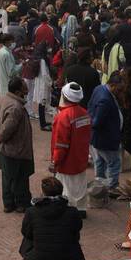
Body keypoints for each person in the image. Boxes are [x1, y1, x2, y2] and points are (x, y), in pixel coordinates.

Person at [19, 174, 85, 260]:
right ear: (61, 191)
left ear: (43, 192)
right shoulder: (73, 212)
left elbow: (26, 233)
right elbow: (77, 230)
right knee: (70, 233)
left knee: (28, 237)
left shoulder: (31, 211)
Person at [49, 80, 93, 214]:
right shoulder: (85, 113)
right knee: (80, 186)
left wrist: (55, 161)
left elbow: (60, 144)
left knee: (67, 189)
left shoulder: (63, 117)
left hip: (67, 162)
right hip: (81, 158)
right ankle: (81, 210)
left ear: (65, 96)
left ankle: (69, 213)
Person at [0, 74, 34, 214]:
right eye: (24, 90)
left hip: (6, 149)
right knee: (19, 178)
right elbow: (7, 129)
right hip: (16, 149)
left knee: (7, 177)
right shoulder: (16, 107)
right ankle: (21, 203)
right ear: (17, 92)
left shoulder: (2, 100)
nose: (26, 93)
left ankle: (8, 203)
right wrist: (0, 135)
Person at [88, 73, 123, 196]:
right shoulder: (105, 99)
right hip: (106, 138)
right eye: (119, 89)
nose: (120, 92)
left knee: (100, 161)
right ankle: (111, 188)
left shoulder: (99, 89)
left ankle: (99, 185)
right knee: (114, 163)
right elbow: (97, 121)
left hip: (98, 138)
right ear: (112, 85)